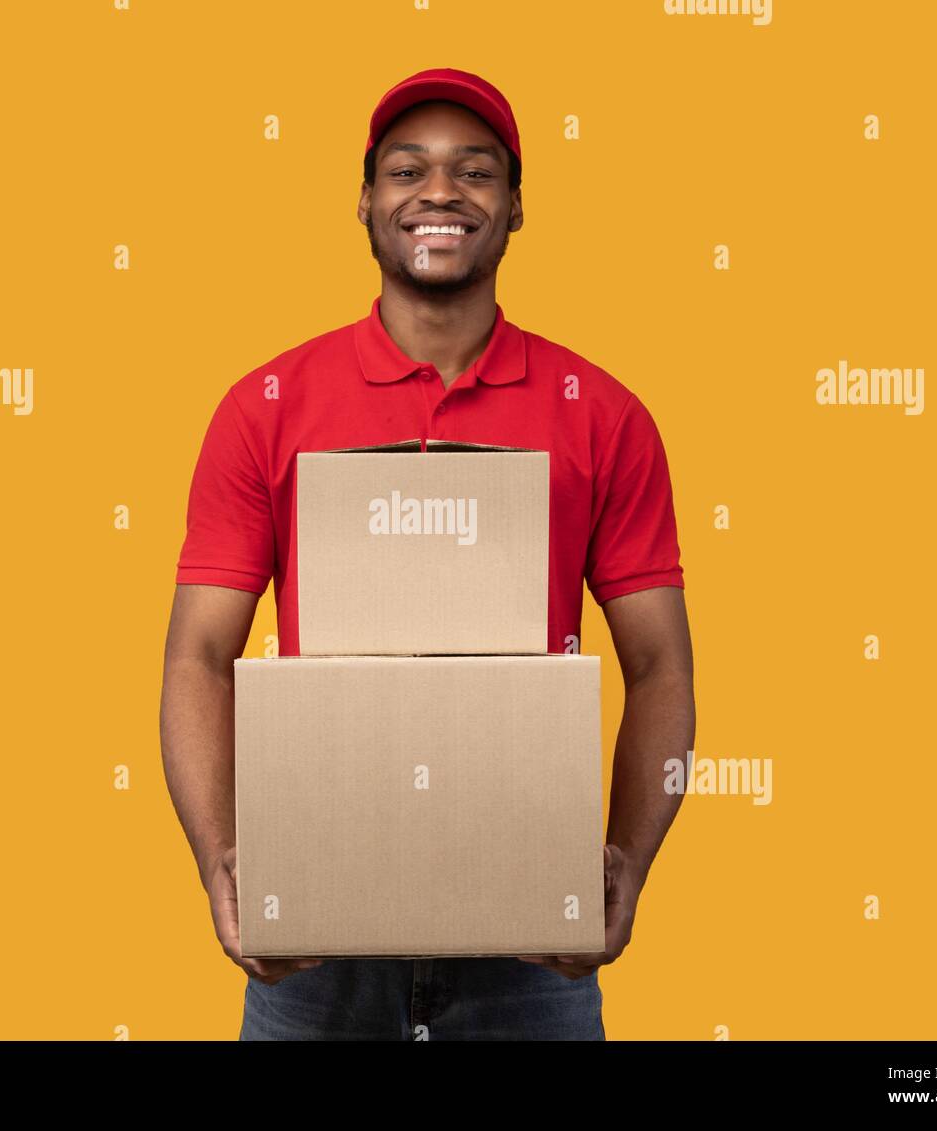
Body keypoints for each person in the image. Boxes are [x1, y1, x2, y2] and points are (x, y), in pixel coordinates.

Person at [159, 67, 695, 1041]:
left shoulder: (602, 415)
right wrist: (224, 859)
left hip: (528, 938)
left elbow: (659, 664)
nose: (439, 193)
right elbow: (197, 656)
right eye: (407, 169)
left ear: (516, 207)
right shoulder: (267, 407)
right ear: (364, 202)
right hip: (317, 935)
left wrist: (625, 858)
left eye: (474, 171)